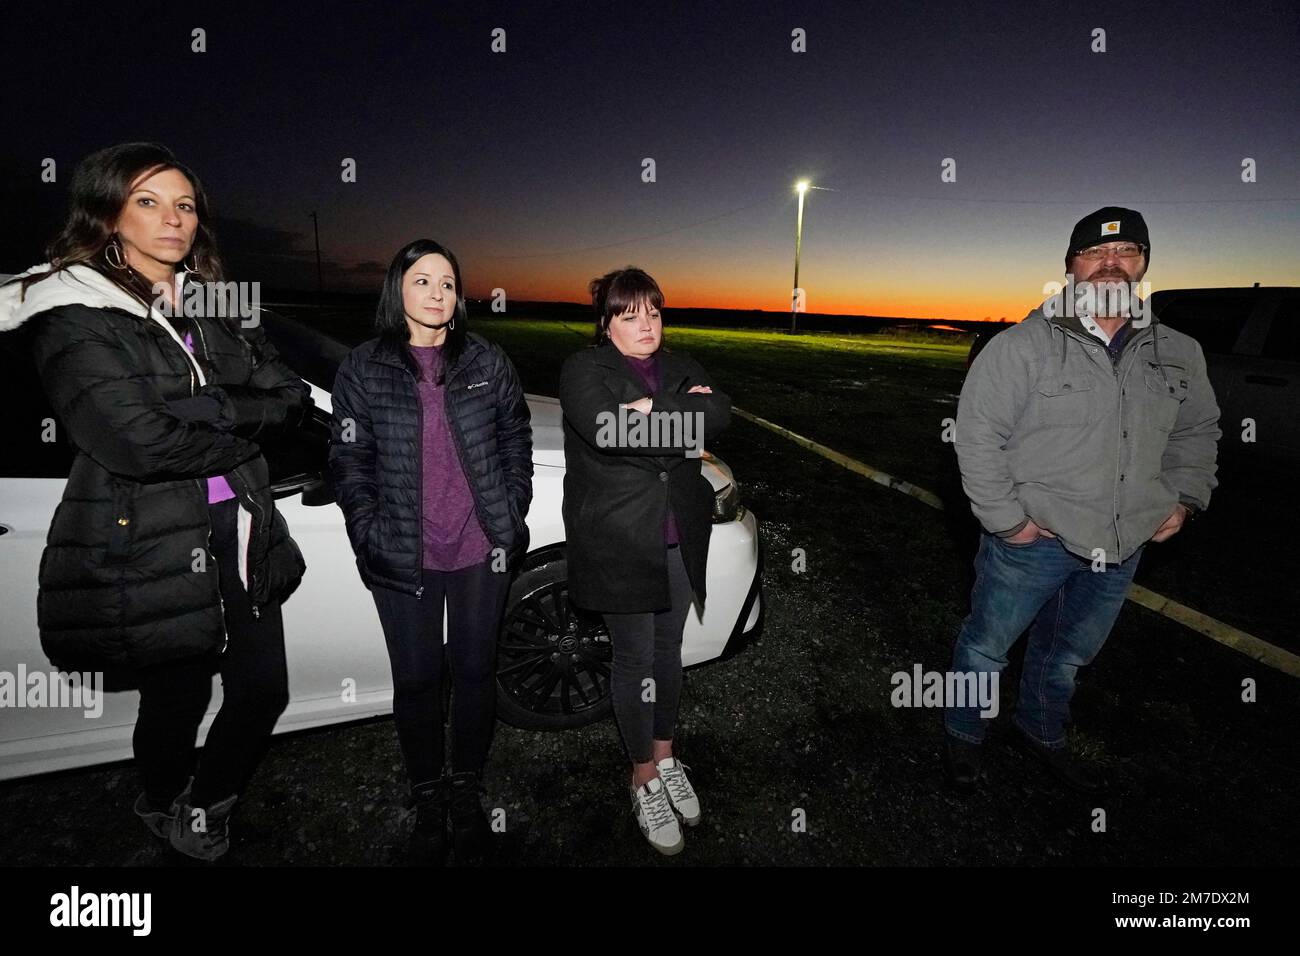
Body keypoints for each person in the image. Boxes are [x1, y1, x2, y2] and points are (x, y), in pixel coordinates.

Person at [0, 142, 311, 860]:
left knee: (262, 689)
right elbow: (137, 444)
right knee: (175, 699)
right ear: (106, 212)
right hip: (151, 532)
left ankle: (206, 805)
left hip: (243, 521)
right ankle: (160, 798)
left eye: (185, 204)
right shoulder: (72, 307)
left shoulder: (213, 301)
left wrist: (206, 412)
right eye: (148, 201)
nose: (173, 220)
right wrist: (243, 419)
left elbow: (291, 396)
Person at [945, 207, 1221, 793]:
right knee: (987, 646)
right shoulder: (1023, 345)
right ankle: (965, 735)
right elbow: (976, 435)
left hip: (1125, 542)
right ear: (1070, 266)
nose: (1111, 265)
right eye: (1095, 254)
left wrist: (1184, 501)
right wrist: (1007, 522)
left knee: (1068, 654)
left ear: (1144, 262)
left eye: (1125, 253)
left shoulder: (1179, 351)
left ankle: (1040, 731)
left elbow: (1197, 432)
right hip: (1033, 540)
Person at [328, 239, 532, 865]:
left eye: (448, 282)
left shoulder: (486, 361)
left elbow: (515, 432)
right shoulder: (363, 367)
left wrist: (511, 506)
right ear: (398, 290)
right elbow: (349, 458)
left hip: (479, 549)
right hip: (403, 552)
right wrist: (367, 529)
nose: (439, 293)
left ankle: (466, 793)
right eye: (424, 281)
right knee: (416, 680)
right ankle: (427, 798)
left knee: (473, 673)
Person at [559, 266, 731, 855]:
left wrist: (647, 409)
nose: (646, 324)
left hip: (680, 534)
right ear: (606, 324)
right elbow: (607, 430)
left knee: (669, 653)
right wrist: (681, 416)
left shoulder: (684, 365)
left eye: (653, 312)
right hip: (620, 540)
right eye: (629, 314)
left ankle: (667, 756)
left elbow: (721, 417)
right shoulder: (583, 368)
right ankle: (642, 777)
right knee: (635, 661)